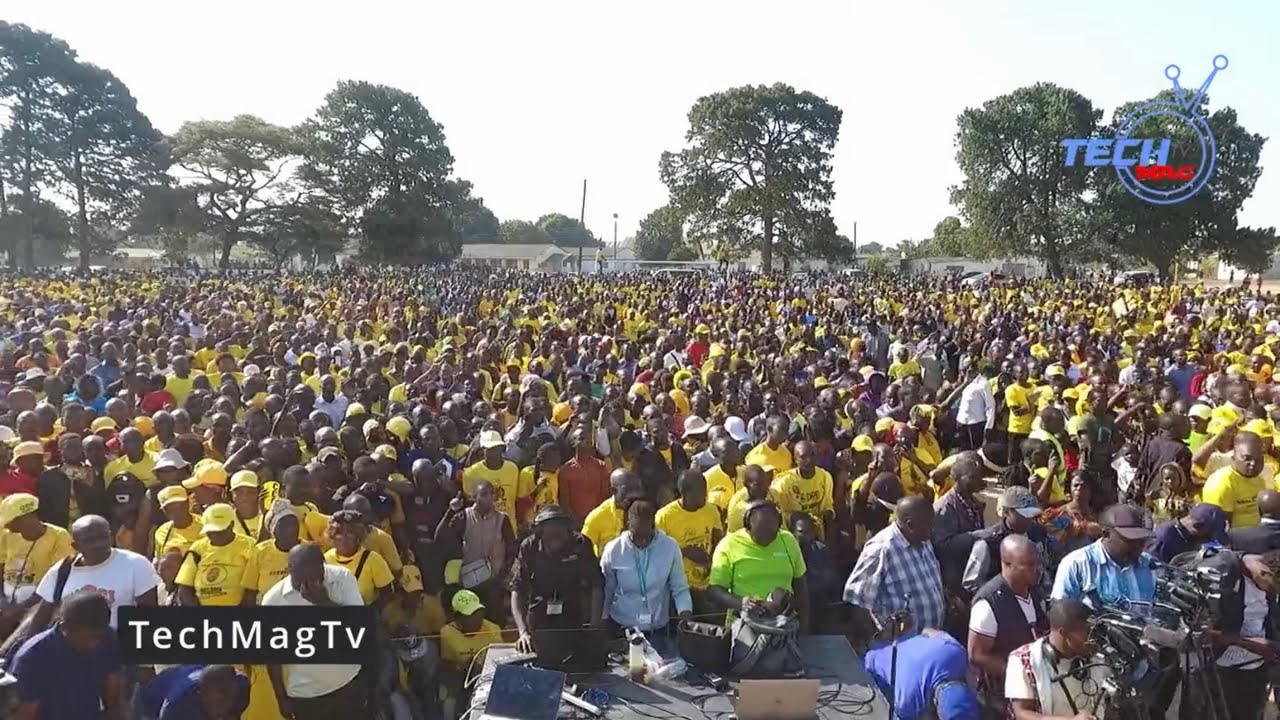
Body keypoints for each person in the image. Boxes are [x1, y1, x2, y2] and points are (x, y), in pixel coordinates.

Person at [262, 543, 367, 720]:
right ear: (289, 570)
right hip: (306, 695)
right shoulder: (273, 601)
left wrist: (323, 603)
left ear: (323, 565)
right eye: (302, 579)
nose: (309, 584)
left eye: (315, 577)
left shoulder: (342, 578)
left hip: (349, 684)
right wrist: (281, 698)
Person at [9, 590, 126, 720]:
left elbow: (113, 699)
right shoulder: (33, 657)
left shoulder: (109, 639)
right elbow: (25, 714)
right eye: (85, 638)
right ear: (65, 626)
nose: (93, 644)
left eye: (97, 637)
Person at [844, 496, 945, 636]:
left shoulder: (923, 541)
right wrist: (880, 642)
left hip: (930, 644)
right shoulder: (881, 549)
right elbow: (856, 601)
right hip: (900, 649)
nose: (932, 530)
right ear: (910, 525)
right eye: (928, 526)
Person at [968, 535, 1048, 712]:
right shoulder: (988, 604)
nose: (1037, 570)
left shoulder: (1034, 591)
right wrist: (1020, 674)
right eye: (1028, 565)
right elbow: (977, 655)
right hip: (1002, 697)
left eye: (1037, 564)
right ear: (1007, 564)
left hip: (1037, 690)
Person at [510, 506, 604, 651]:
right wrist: (523, 632)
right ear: (540, 532)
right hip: (539, 617)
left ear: (568, 530)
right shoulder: (529, 547)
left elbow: (597, 584)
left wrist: (594, 626)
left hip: (573, 616)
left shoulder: (581, 544)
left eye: (560, 534)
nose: (555, 540)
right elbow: (517, 589)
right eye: (550, 535)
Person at [708, 500, 809, 633]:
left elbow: (801, 584)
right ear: (748, 525)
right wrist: (741, 603)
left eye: (772, 534)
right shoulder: (728, 545)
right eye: (760, 533)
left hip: (783, 625)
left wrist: (805, 626)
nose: (766, 539)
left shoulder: (788, 540)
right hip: (743, 628)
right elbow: (715, 590)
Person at [600, 500, 692, 635]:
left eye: (646, 536)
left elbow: (680, 588)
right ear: (628, 525)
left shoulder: (670, 547)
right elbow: (607, 590)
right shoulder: (613, 550)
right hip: (622, 627)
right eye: (636, 537)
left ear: (653, 525)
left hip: (657, 628)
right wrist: (603, 620)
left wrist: (685, 617)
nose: (642, 542)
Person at [1005, 598, 1098, 720]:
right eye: (1087, 634)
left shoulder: (1097, 657)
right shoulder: (1022, 659)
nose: (1092, 640)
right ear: (1065, 634)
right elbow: (1021, 713)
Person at [863, 628, 982, 720]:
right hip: (869, 664)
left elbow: (928, 630)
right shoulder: (907, 703)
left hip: (896, 642)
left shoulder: (958, 651)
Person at [1051, 504, 1155, 608]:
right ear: (1106, 534)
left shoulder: (1149, 565)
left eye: (1141, 539)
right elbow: (1060, 613)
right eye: (1130, 540)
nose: (1138, 545)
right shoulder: (1077, 564)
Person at [655, 470, 722, 610]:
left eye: (705, 490)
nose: (705, 495)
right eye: (700, 492)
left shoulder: (711, 510)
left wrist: (711, 561)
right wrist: (685, 552)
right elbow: (656, 550)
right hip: (677, 586)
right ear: (684, 492)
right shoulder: (664, 516)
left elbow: (718, 542)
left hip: (705, 583)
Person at [0, 493, 73, 619]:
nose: (8, 526)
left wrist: (20, 608)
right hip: (6, 602)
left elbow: (57, 578)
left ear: (29, 516)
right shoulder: (7, 535)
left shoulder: (59, 536)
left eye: (13, 520)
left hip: (38, 603)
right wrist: (2, 600)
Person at [962, 486, 1044, 596]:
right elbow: (972, 583)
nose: (1029, 519)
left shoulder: (1037, 533)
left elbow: (1044, 568)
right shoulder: (987, 542)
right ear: (1006, 512)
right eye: (1024, 514)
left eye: (1032, 514)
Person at [174, 503, 257, 607]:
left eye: (219, 530)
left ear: (231, 525)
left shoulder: (249, 545)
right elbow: (184, 588)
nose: (215, 534)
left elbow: (252, 587)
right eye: (211, 531)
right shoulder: (197, 548)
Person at [1202, 431, 1269, 528]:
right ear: (1233, 456)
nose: (1253, 464)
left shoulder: (1259, 479)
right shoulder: (1221, 483)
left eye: (1258, 459)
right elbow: (1220, 528)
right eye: (1247, 458)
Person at [138, 664, 251, 720]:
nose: (228, 704)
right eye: (220, 700)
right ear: (203, 696)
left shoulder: (240, 688)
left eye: (229, 696)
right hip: (148, 704)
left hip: (189, 670)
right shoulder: (176, 706)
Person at [582, 469, 644, 555]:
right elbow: (583, 549)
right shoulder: (597, 517)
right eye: (626, 490)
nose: (633, 495)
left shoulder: (643, 511)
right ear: (613, 491)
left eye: (636, 489)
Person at [1148, 503, 1228, 562]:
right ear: (1197, 526)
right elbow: (1152, 568)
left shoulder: (1191, 536)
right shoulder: (1164, 536)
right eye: (1208, 536)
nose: (1207, 540)